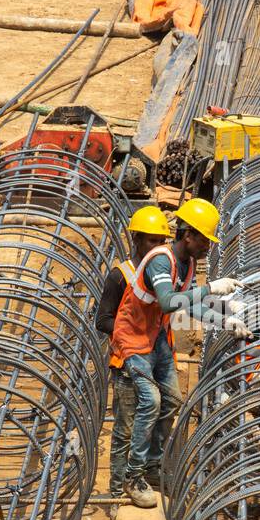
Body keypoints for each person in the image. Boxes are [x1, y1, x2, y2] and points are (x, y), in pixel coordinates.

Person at [107, 197, 251, 508]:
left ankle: (153, 467)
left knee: (171, 400)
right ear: (188, 235)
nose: (208, 247)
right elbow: (171, 301)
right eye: (205, 240)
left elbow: (190, 305)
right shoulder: (162, 260)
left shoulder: (188, 263)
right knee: (150, 400)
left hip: (156, 337)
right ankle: (133, 477)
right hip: (133, 338)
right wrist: (212, 288)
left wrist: (225, 321)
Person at [96, 206, 173, 498]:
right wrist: (136, 333)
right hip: (127, 363)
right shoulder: (121, 275)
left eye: (161, 241)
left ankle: (147, 474)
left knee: (163, 413)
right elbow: (102, 319)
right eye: (152, 241)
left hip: (155, 360)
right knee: (125, 430)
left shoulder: (163, 273)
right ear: (137, 240)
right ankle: (118, 492)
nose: (158, 247)